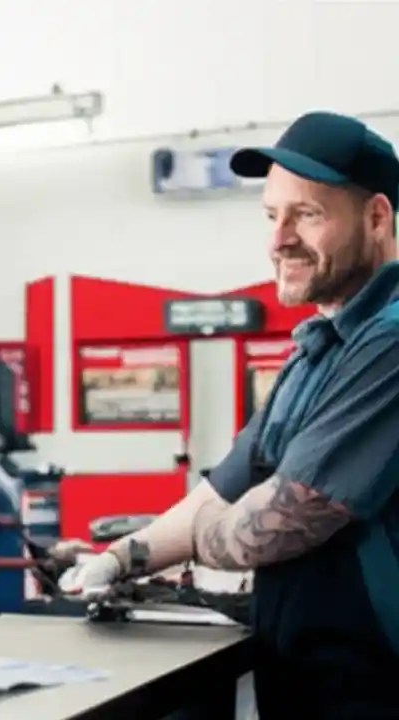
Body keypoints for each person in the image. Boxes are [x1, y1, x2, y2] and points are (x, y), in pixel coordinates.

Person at [63, 110, 399, 717]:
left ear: (377, 217)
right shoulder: (316, 351)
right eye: (272, 216)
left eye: (308, 214)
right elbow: (224, 488)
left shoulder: (391, 341)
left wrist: (194, 544)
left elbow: (278, 520)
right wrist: (116, 559)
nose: (279, 241)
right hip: (311, 676)